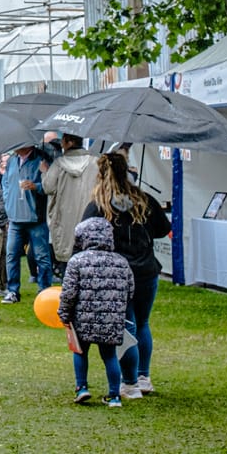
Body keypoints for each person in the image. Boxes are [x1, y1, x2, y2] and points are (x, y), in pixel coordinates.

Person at [83, 153, 169, 398]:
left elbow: (85, 233)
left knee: (126, 326)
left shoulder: (99, 204)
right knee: (142, 323)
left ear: (100, 174)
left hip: (116, 274)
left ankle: (130, 383)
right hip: (146, 269)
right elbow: (164, 228)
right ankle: (143, 376)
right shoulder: (143, 200)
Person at [58, 216, 134, 407]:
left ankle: (82, 387)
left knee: (80, 352)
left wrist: (64, 314)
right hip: (112, 319)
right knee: (109, 356)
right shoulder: (122, 262)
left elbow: (69, 292)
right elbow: (130, 290)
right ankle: (114, 395)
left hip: (83, 318)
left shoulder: (77, 261)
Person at [0, 142, 53, 303]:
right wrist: (8, 201)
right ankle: (12, 291)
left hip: (36, 217)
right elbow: (6, 183)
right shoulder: (12, 160)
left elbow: (50, 185)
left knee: (42, 256)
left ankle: (44, 291)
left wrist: (36, 186)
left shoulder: (42, 159)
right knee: (11, 254)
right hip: (15, 217)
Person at [43, 134, 99, 279]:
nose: (61, 144)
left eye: (63, 141)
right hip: (89, 218)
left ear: (69, 142)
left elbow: (48, 187)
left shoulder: (58, 164)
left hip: (64, 221)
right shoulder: (95, 163)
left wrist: (44, 172)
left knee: (68, 269)